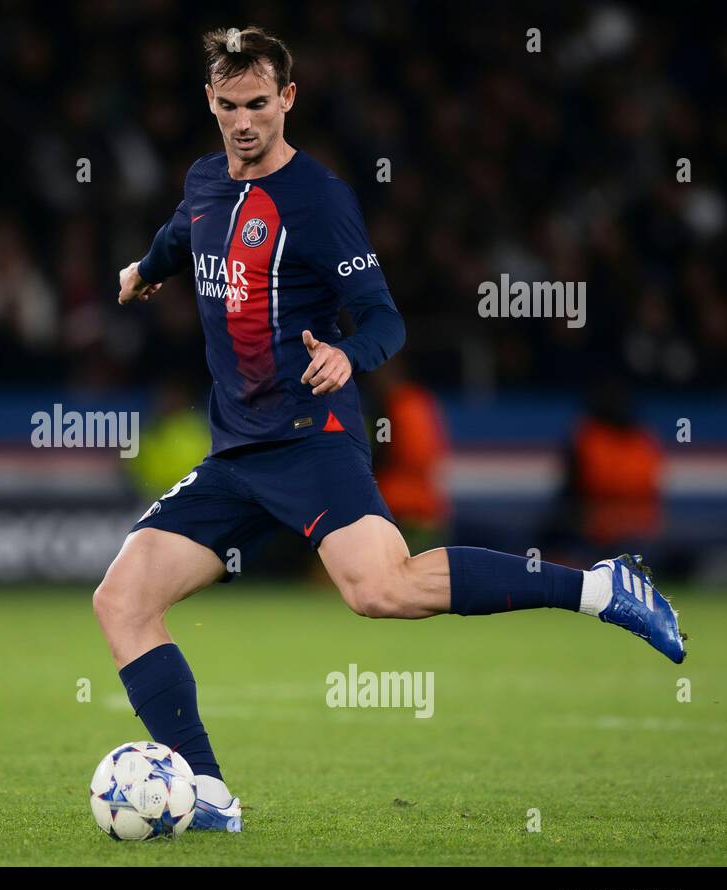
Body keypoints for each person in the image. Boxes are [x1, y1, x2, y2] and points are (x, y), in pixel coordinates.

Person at [94, 26, 688, 833]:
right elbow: (182, 235)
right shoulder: (204, 180)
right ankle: (207, 795)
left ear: (288, 99)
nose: (244, 121)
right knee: (122, 600)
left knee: (381, 589)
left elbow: (384, 318)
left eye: (260, 104)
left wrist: (346, 352)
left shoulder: (319, 200)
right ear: (210, 101)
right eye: (229, 105)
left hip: (309, 433)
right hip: (236, 449)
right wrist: (143, 270)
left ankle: (599, 587)